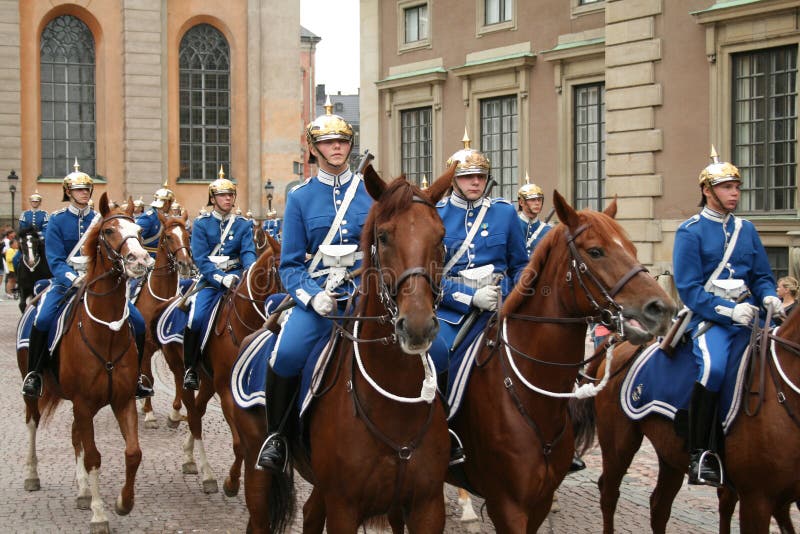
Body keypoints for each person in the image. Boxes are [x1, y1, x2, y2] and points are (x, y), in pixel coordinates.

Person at [255, 98, 373, 472]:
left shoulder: (370, 192)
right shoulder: (300, 197)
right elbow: (290, 265)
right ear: (314, 148)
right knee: (287, 353)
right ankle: (278, 436)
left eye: (342, 141)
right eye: (328, 142)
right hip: (320, 293)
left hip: (365, 291)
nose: (337, 147)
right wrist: (311, 296)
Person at [673, 147, 779, 487]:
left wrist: (770, 295)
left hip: (752, 316)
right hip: (711, 321)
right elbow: (689, 290)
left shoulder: (746, 229)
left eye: (737, 187)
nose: (734, 193)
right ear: (707, 191)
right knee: (714, 368)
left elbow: (761, 275)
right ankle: (700, 453)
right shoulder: (690, 231)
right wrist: (730, 310)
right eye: (726, 187)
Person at [429, 130, 529, 464]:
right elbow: (429, 276)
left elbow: (521, 265)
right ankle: (441, 429)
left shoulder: (504, 213)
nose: (475, 182)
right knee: (435, 355)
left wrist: (510, 296)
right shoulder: (436, 214)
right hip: (451, 311)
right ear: (452, 181)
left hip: (501, 305)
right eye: (467, 177)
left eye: (481, 176)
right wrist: (468, 297)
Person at [21, 160, 154, 399]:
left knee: (138, 322)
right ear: (68, 192)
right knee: (43, 319)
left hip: (98, 282)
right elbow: (55, 260)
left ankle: (136, 377)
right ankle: (35, 373)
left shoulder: (101, 220)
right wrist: (73, 278)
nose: (84, 193)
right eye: (79, 189)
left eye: (87, 189)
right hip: (66, 282)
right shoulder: (57, 220)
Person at [182, 168, 257, 390]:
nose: (228, 199)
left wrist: (251, 270)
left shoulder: (243, 224)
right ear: (212, 199)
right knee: (196, 318)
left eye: (231, 195)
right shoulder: (202, 223)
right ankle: (190, 368)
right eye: (223, 195)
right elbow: (200, 259)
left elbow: (247, 251)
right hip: (210, 279)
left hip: (236, 277)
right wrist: (220, 278)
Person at [136, 184, 175, 259]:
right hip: (149, 257)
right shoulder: (148, 218)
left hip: (163, 256)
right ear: (166, 203)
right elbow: (136, 239)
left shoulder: (165, 216)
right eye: (171, 203)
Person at [517, 177, 552, 257]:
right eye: (532, 200)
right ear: (521, 202)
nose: (537, 203)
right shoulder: (512, 226)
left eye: (539, 200)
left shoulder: (547, 230)